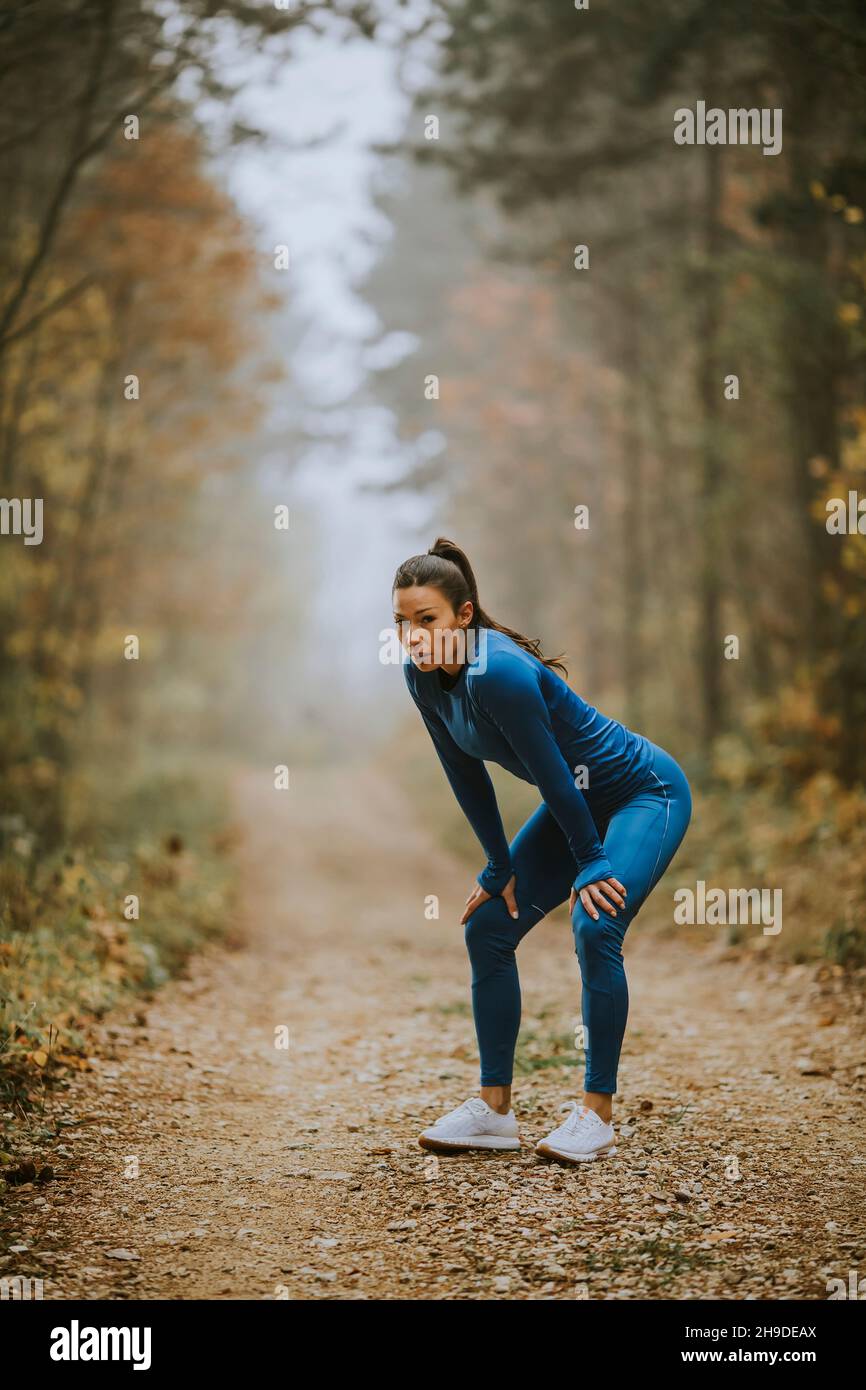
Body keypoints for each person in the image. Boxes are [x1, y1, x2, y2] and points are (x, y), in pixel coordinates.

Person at [392, 537, 692, 1166]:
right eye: (401, 623)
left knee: (595, 921)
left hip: (643, 794)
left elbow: (553, 772)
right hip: (574, 806)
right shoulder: (423, 680)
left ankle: (596, 1115)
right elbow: (464, 772)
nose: (413, 637)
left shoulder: (496, 673)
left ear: (463, 616)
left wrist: (591, 861)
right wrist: (498, 865)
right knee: (489, 926)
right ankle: (495, 1112)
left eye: (427, 621)